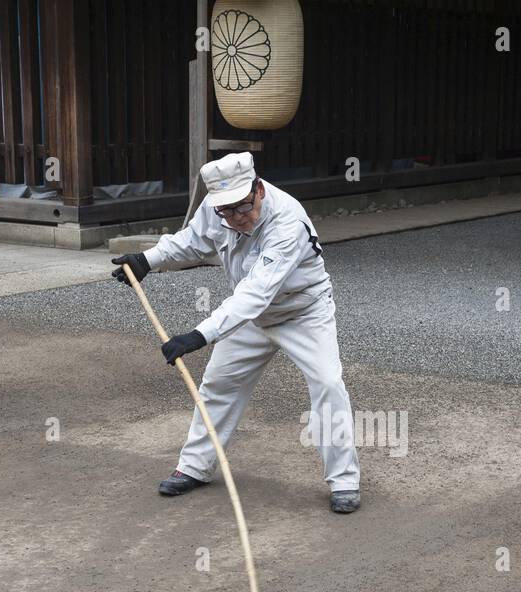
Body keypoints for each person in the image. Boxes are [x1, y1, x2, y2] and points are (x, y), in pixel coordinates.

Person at [112, 152, 362, 514]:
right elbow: (191, 240)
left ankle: (344, 481)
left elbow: (256, 293)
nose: (236, 218)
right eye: (226, 212)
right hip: (248, 318)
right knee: (218, 383)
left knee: (327, 384)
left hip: (302, 311)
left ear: (258, 189)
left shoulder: (287, 220)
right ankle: (195, 467)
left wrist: (199, 335)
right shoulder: (218, 210)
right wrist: (147, 260)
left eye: (243, 208)